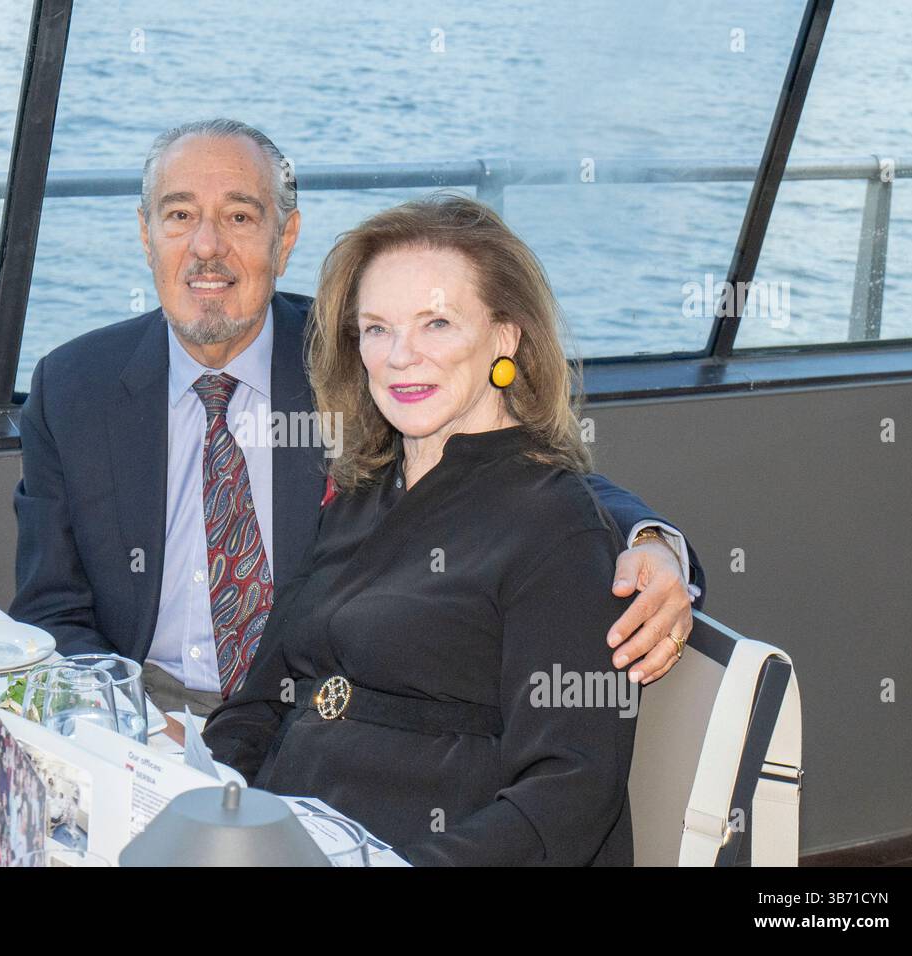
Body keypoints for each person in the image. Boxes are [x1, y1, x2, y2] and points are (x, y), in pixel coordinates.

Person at [11, 119, 703, 717]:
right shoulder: (74, 388)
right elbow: (51, 611)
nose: (207, 248)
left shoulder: (361, 360)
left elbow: (515, 468)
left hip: (312, 716)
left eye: (241, 217)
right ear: (146, 234)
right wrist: (122, 719)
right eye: (180, 215)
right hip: (140, 711)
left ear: (286, 241)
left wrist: (653, 540)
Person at [204, 193, 638, 865]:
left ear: (504, 337)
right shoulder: (361, 492)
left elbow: (572, 791)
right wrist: (204, 800)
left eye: (435, 323)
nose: (399, 356)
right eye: (376, 328)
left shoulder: (554, 526)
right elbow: (261, 700)